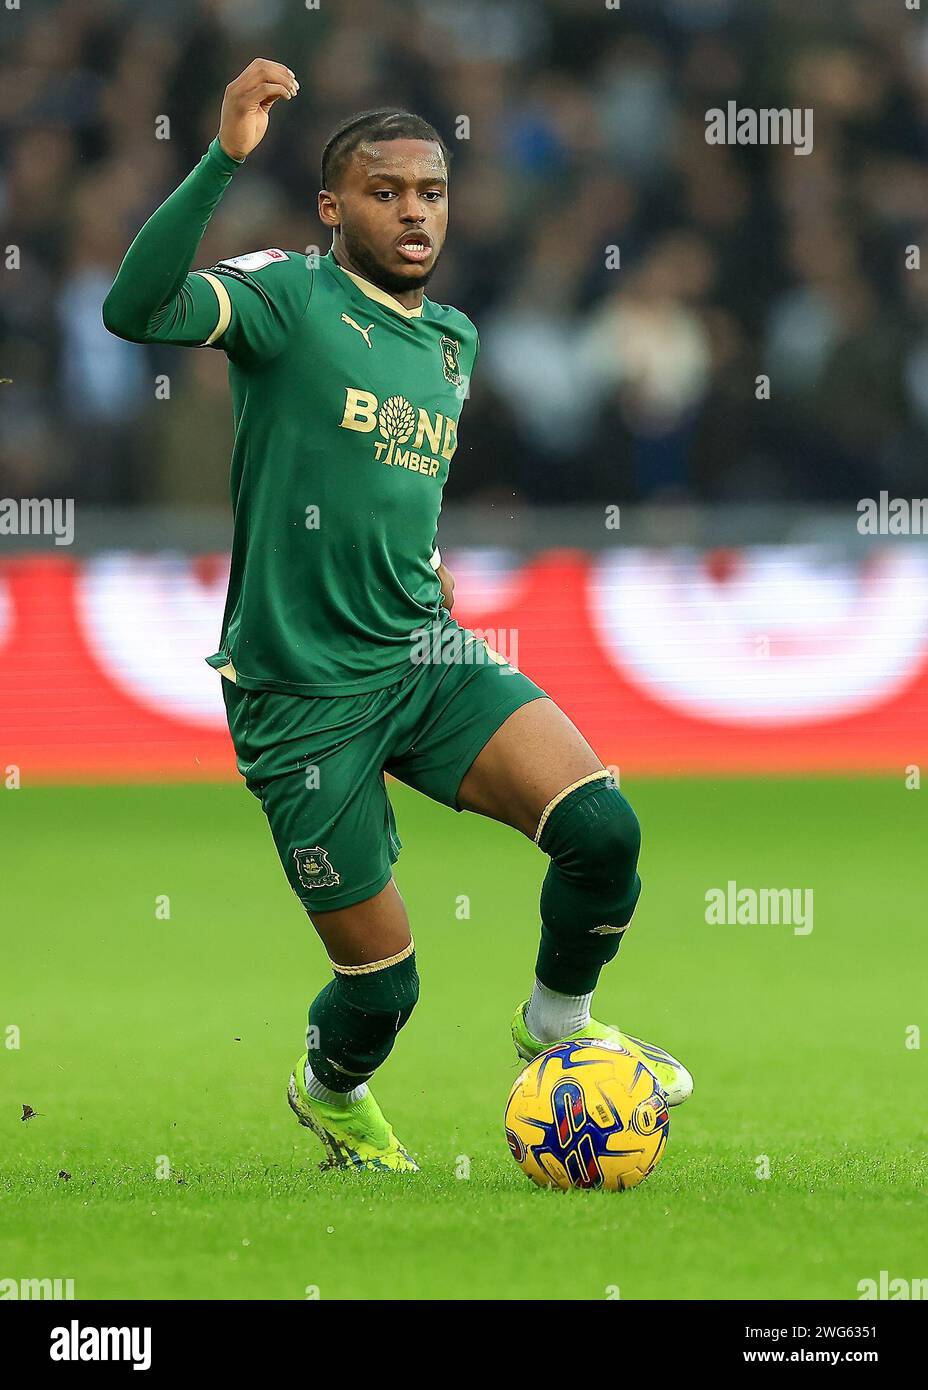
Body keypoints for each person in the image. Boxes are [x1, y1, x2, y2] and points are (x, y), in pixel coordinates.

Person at [103, 59, 692, 1172]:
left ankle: (556, 1023)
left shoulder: (454, 343)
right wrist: (225, 155)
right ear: (334, 207)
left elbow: (391, 493)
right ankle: (331, 1090)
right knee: (385, 990)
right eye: (384, 191)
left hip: (423, 656)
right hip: (300, 696)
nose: (412, 210)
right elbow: (134, 309)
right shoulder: (287, 298)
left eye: (429, 191)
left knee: (603, 831)